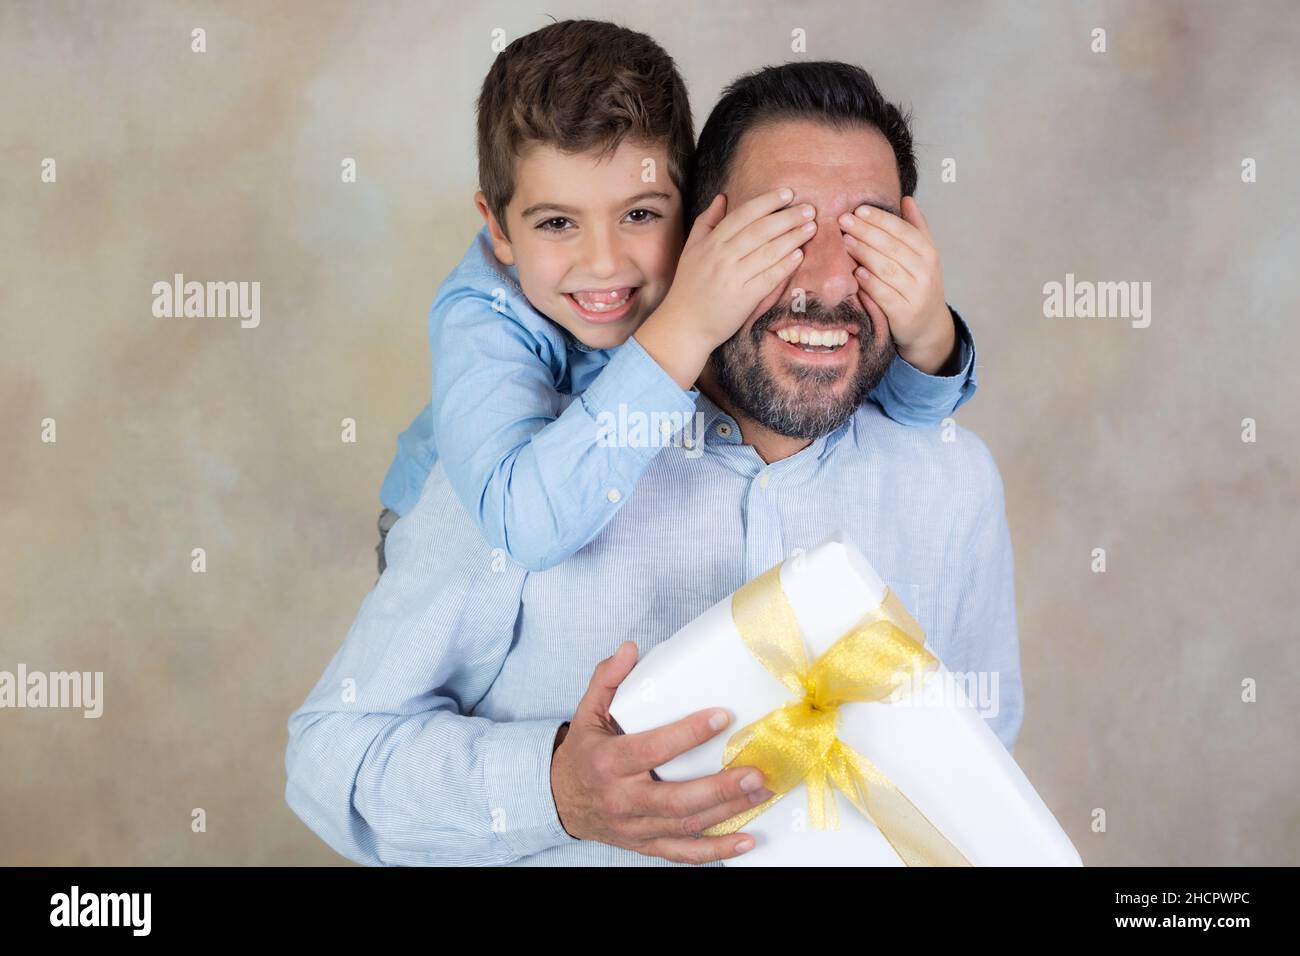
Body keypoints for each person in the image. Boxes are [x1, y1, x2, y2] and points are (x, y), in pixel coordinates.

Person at [287, 61, 1021, 866]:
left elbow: (973, 759)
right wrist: (553, 792)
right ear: (698, 239)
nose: (826, 281)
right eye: (780, 229)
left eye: (869, 235)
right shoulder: (531, 469)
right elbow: (332, 760)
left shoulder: (955, 483)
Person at [373, 20, 978, 576]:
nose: (605, 262)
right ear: (499, 228)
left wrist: (925, 331)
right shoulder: (481, 316)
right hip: (456, 542)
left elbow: (878, 398)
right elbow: (524, 527)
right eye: (557, 223)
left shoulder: (698, 270)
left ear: (692, 209)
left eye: (639, 214)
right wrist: (684, 327)